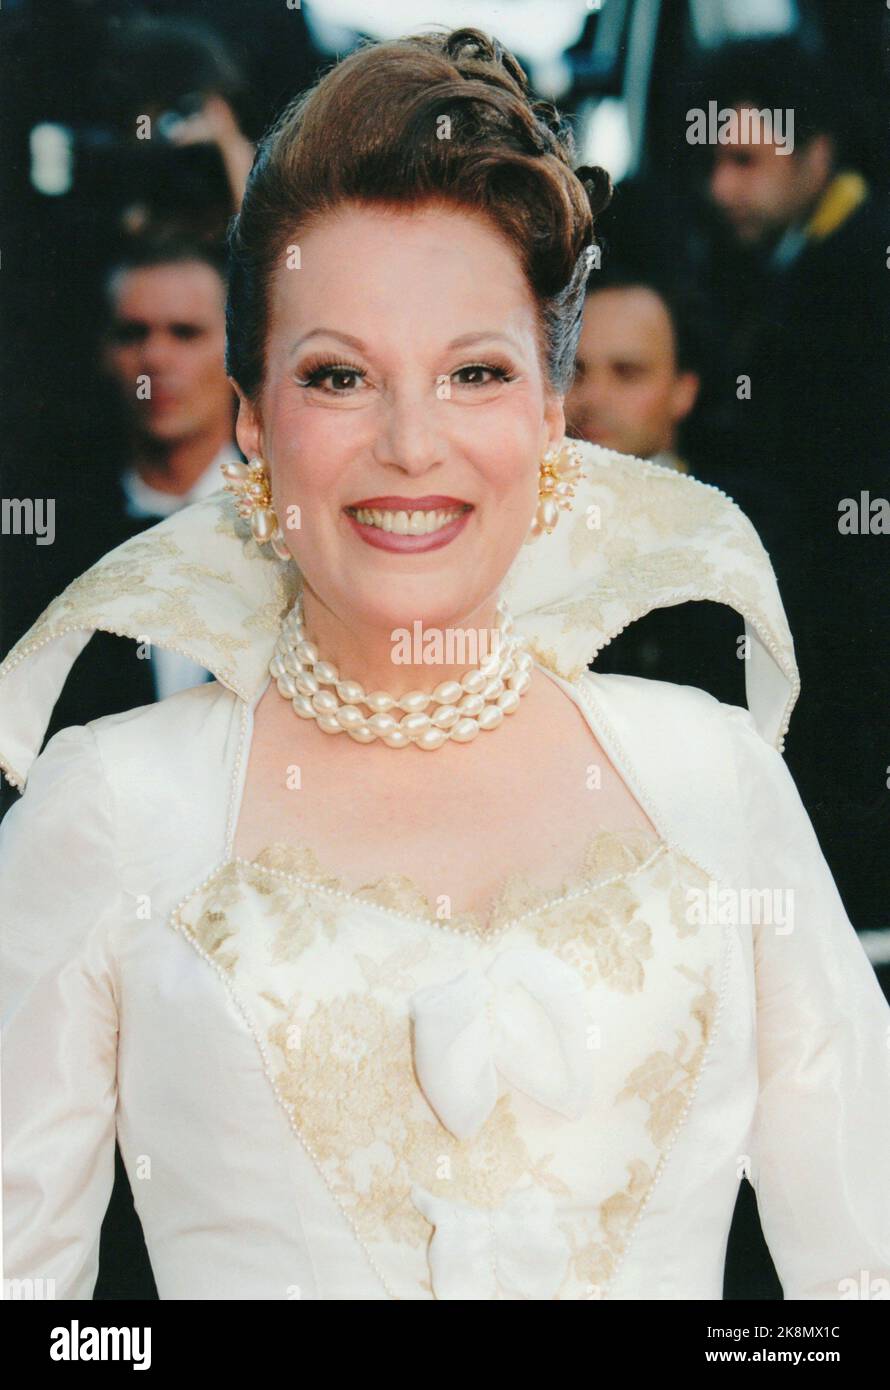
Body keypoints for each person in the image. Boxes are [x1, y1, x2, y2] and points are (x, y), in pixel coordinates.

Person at [1, 28, 887, 1302]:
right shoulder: (108, 810)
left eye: (475, 371)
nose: (410, 444)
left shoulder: (713, 778)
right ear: (253, 420)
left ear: (547, 413)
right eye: (339, 375)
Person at [565, 272, 700, 474]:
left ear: (683, 391)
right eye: (573, 373)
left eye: (627, 374)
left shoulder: (726, 505)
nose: (593, 397)